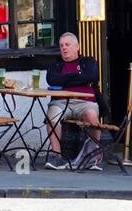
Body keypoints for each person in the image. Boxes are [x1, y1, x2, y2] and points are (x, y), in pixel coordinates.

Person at [44, 32, 104, 170]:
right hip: (61, 102)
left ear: (77, 46)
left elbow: (92, 76)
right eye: (61, 46)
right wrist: (78, 76)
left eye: (67, 44)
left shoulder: (88, 62)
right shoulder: (56, 66)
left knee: (92, 116)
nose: (64, 48)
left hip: (86, 102)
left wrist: (65, 79)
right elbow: (52, 80)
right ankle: (56, 156)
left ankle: (93, 157)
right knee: (52, 116)